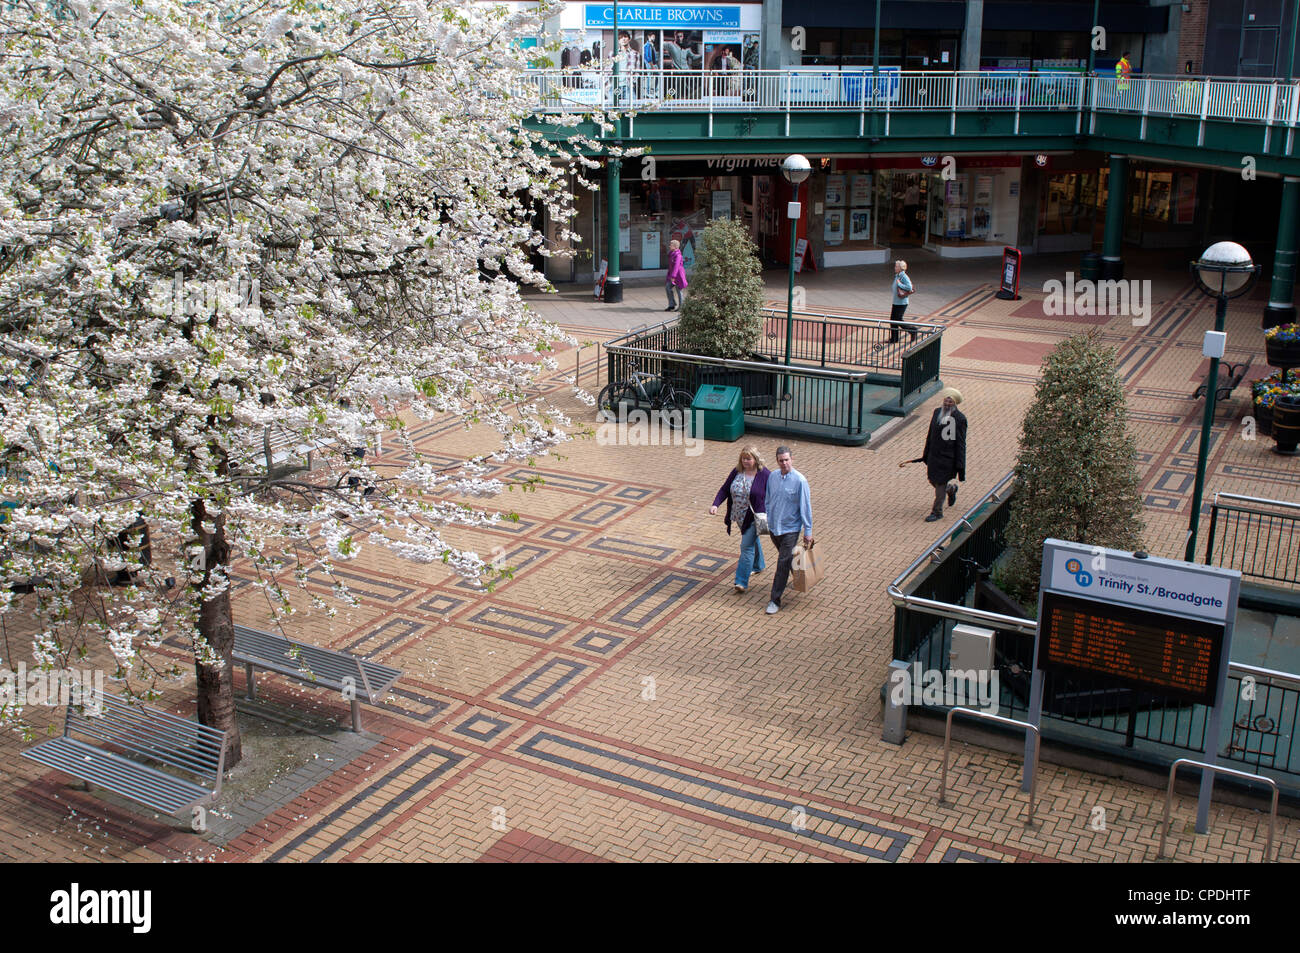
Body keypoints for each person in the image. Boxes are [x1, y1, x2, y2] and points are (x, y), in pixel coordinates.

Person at [709, 445, 770, 592]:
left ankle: (741, 581)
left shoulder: (765, 474)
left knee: (746, 547)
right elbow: (725, 488)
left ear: (755, 459)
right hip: (738, 515)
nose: (745, 461)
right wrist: (715, 504)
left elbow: (774, 494)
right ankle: (758, 565)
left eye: (748, 458)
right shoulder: (737, 471)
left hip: (754, 517)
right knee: (752, 539)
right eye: (743, 458)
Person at [902, 388, 967, 522]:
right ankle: (951, 489)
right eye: (946, 400)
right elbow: (930, 434)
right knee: (933, 480)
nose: (947, 403)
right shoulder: (937, 412)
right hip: (934, 456)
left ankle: (937, 512)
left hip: (948, 458)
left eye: (951, 401)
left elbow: (961, 442)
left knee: (940, 483)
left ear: (955, 403)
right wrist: (926, 453)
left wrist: (960, 464)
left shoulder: (960, 419)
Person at [764, 445, 813, 614]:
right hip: (774, 527)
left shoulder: (800, 481)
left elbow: (805, 507)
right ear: (777, 461)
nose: (784, 463)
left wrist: (808, 531)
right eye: (781, 460)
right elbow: (768, 500)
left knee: (782, 563)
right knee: (788, 557)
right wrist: (766, 521)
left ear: (792, 459)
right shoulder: (773, 477)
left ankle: (774, 600)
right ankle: (801, 579)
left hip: (791, 529)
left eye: (786, 460)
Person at [888, 259, 918, 343]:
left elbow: (909, 287)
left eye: (896, 266)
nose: (894, 267)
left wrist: (899, 284)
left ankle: (912, 330)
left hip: (901, 302)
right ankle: (894, 338)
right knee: (893, 320)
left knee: (898, 319)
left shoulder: (903, 276)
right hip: (896, 301)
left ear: (900, 268)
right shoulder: (898, 275)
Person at [665, 238, 688, 310]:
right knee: (668, 287)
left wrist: (673, 276)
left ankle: (681, 306)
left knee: (679, 290)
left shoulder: (678, 255)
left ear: (675, 247)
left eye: (671, 245)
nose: (669, 246)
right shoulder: (671, 254)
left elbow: (676, 266)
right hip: (672, 275)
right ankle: (671, 305)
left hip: (678, 276)